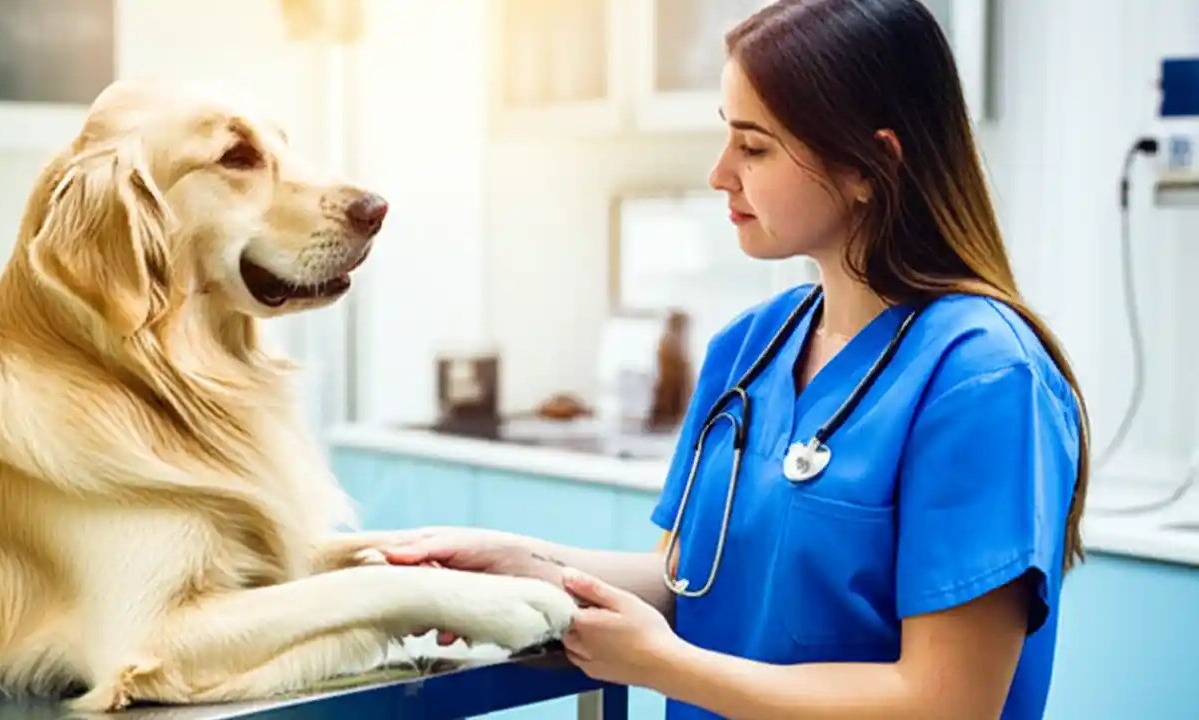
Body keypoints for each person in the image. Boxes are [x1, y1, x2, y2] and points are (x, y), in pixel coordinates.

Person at [381, 1, 1089, 718]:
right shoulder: (751, 347)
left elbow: (945, 703)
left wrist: (666, 665)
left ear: (871, 166)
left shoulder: (984, 379)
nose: (720, 174)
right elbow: (687, 584)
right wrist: (525, 568)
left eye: (754, 148)